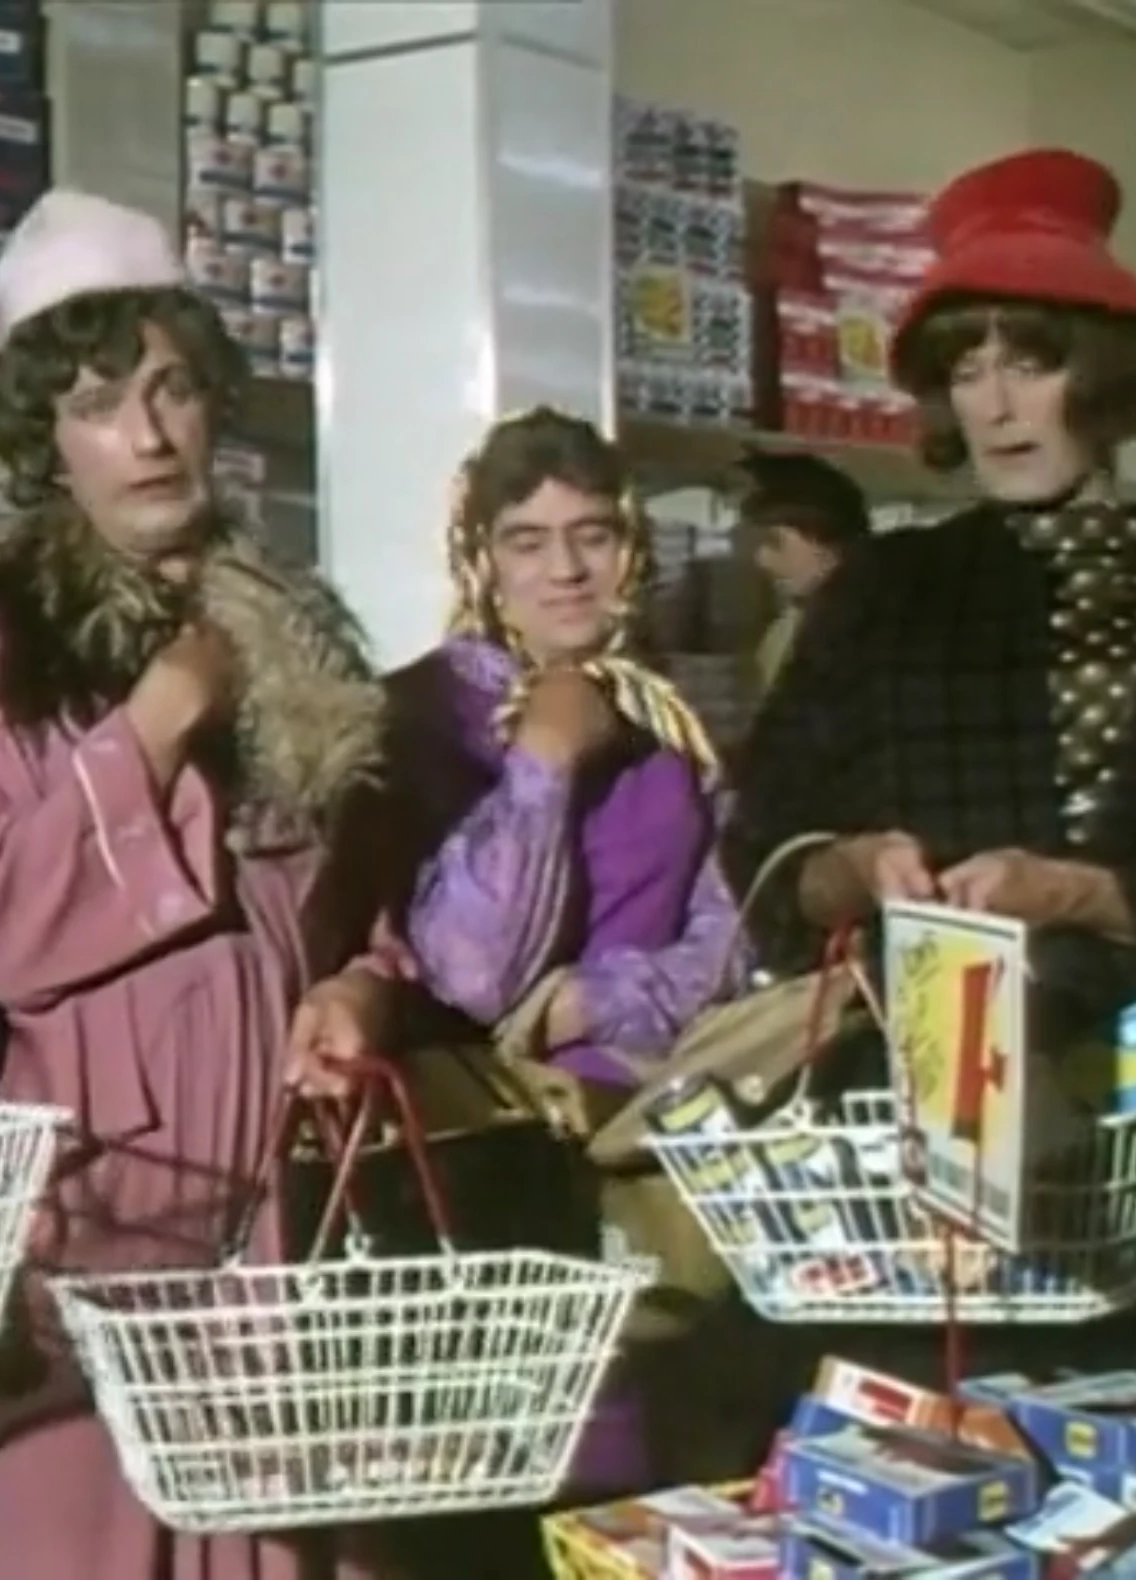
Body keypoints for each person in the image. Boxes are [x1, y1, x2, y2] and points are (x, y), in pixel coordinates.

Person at [725, 149, 1136, 1386]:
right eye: (967, 369)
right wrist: (850, 865)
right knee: (919, 1469)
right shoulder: (882, 597)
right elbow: (763, 843)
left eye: (1032, 361)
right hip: (916, 1171)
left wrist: (1082, 893)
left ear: (1108, 378)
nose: (997, 405)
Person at [0, 190, 407, 1580]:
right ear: (47, 442)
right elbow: (2, 923)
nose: (151, 433)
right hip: (94, 1199)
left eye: (172, 388)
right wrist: (156, 721)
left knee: (288, 1546)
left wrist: (359, 991)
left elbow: (366, 908)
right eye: (101, 404)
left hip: (285, 1206)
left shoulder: (300, 638)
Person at [386, 408, 761, 1502]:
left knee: (665, 1477)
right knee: (519, 1479)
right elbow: (472, 975)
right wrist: (546, 759)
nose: (565, 571)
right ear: (481, 557)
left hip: (653, 1138)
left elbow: (735, 938)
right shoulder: (422, 715)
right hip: (492, 1162)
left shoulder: (666, 712)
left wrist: (597, 1000)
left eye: (591, 535)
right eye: (527, 540)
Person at [739, 449, 872, 695]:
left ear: (828, 546)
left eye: (776, 542)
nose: (762, 559)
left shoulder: (874, 638)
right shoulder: (786, 629)